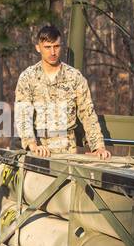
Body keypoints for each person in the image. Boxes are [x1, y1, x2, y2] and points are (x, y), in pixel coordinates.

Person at [13, 23, 110, 159]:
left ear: (61, 46)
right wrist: (32, 144)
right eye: (47, 47)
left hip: (68, 151)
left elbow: (87, 113)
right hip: (38, 151)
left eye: (56, 46)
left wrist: (98, 147)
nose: (52, 52)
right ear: (38, 48)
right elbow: (23, 115)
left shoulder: (75, 77)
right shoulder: (28, 77)